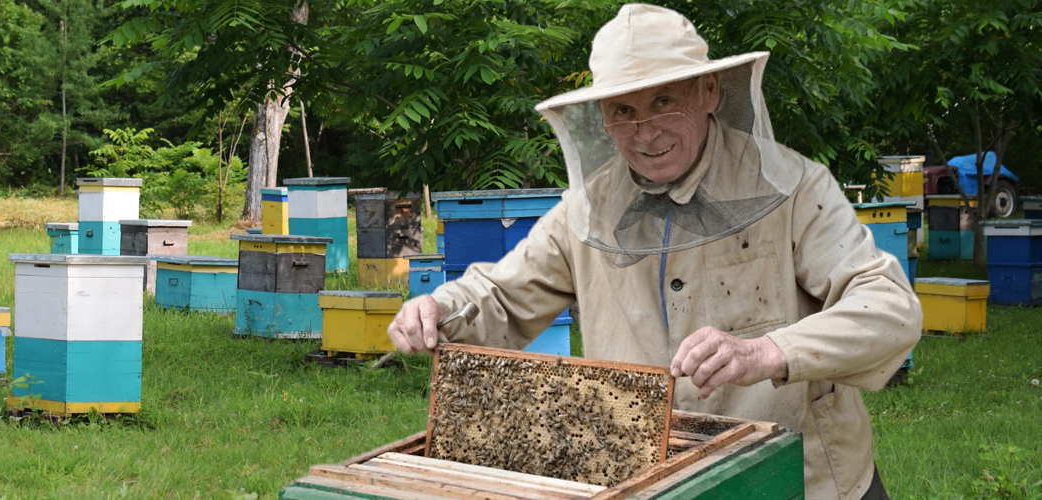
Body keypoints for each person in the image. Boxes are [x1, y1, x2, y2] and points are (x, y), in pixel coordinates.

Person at [386, 4, 921, 500]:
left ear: (708, 92)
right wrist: (441, 308)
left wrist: (765, 352)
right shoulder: (588, 209)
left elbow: (890, 309)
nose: (646, 133)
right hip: (651, 478)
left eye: (664, 101)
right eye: (624, 111)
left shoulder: (796, 187)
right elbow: (501, 296)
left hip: (806, 477)